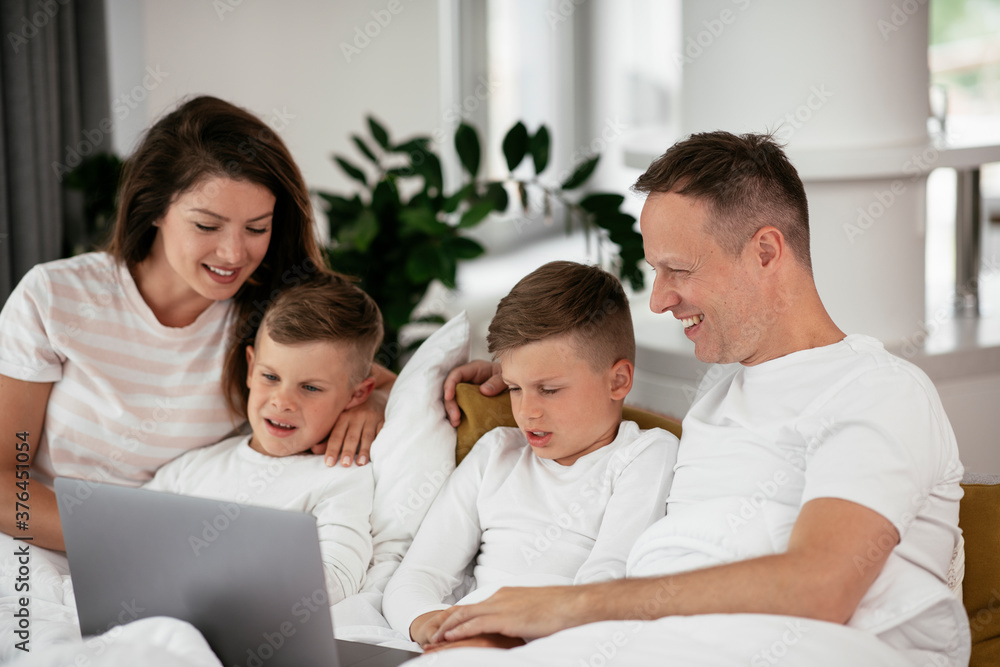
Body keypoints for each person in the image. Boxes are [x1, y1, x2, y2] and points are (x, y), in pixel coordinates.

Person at [430, 132, 968, 665]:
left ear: (765, 252)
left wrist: (573, 606)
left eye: (679, 270)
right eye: (655, 272)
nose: (661, 300)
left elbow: (820, 588)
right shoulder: (714, 407)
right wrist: (519, 381)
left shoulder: (878, 390)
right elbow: (619, 446)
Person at [0, 96, 391, 552]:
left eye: (257, 228)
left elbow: (371, 380)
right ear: (157, 209)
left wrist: (373, 405)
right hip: (46, 547)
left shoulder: (273, 314)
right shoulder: (54, 297)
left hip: (192, 557)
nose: (233, 254)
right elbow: (4, 478)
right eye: (208, 226)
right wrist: (133, 542)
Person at [383, 261, 678, 651]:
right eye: (514, 388)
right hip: (462, 643)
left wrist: (502, 638)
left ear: (618, 380)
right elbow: (418, 574)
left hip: (560, 647)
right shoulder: (496, 453)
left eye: (549, 390)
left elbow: (607, 582)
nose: (527, 412)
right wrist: (431, 627)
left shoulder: (644, 454)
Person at [144, 273, 381, 604]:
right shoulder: (193, 467)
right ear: (251, 368)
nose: (283, 401)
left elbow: (338, 579)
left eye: (310, 387)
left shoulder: (341, 477)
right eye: (271, 377)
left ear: (358, 395)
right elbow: (129, 536)